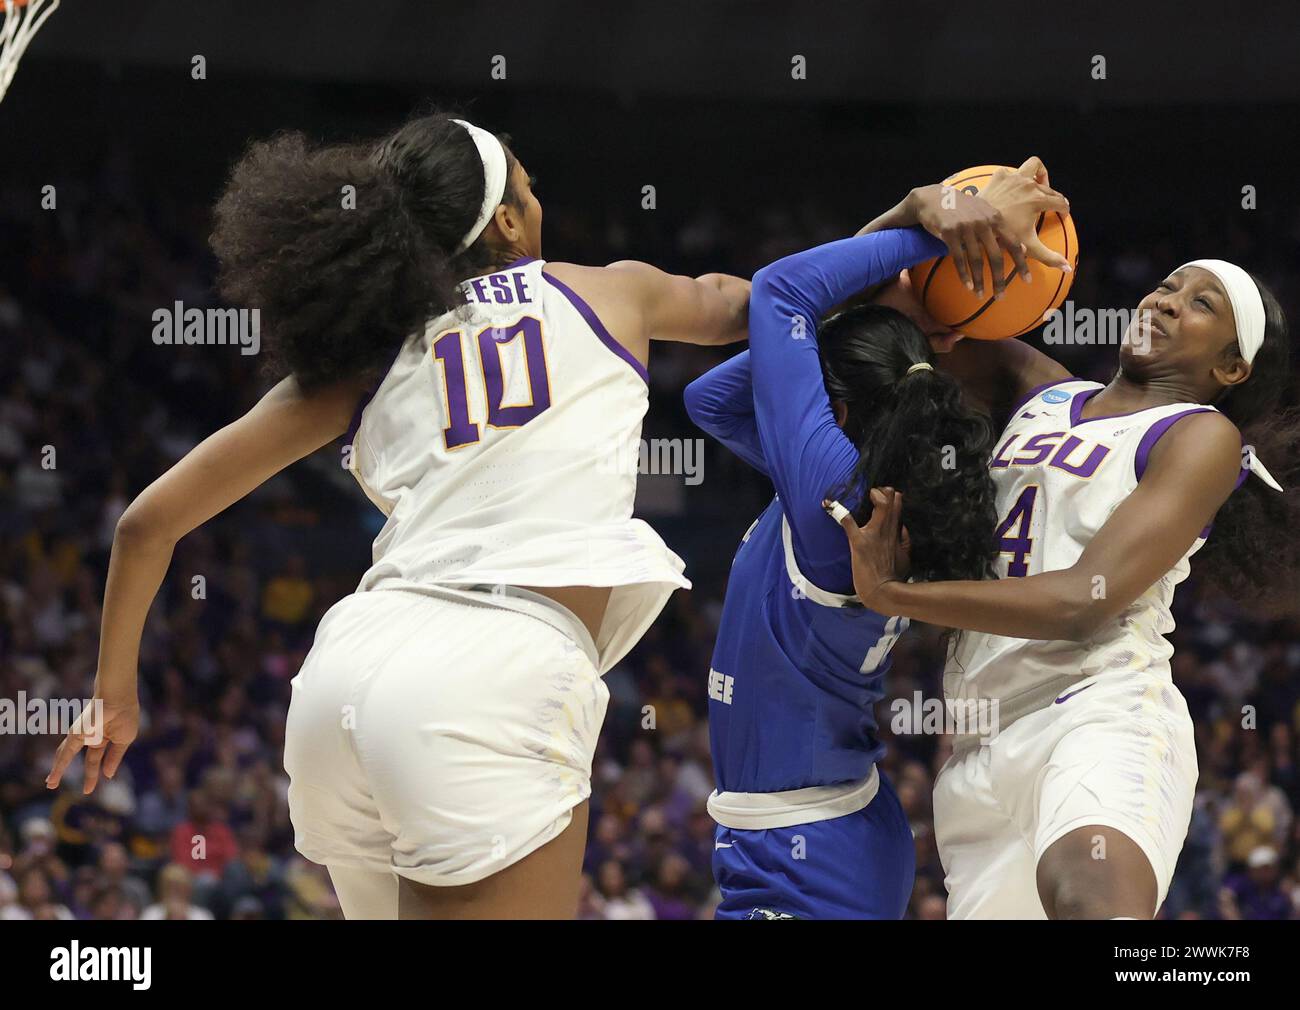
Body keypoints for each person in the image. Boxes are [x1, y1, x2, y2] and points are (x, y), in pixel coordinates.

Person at [46, 111, 750, 919]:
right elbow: (747, 305)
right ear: (508, 221)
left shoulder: (366, 355)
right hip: (487, 674)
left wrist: (114, 695)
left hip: (347, 677)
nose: (539, 199)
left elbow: (145, 522)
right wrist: (899, 239)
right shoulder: (609, 290)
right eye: (530, 186)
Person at [834, 237, 1300, 918]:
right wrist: (934, 221)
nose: (1168, 301)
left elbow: (1083, 601)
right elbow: (876, 317)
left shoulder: (1198, 435)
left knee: (1094, 903)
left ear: (1232, 366)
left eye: (1202, 304)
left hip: (1098, 710)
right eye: (1168, 284)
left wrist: (895, 595)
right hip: (977, 743)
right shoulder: (1042, 392)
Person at [685, 160, 1070, 917]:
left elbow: (782, 293)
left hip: (807, 848)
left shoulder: (834, 490)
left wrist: (921, 224)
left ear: (833, 404)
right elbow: (714, 401)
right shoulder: (853, 486)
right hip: (822, 830)